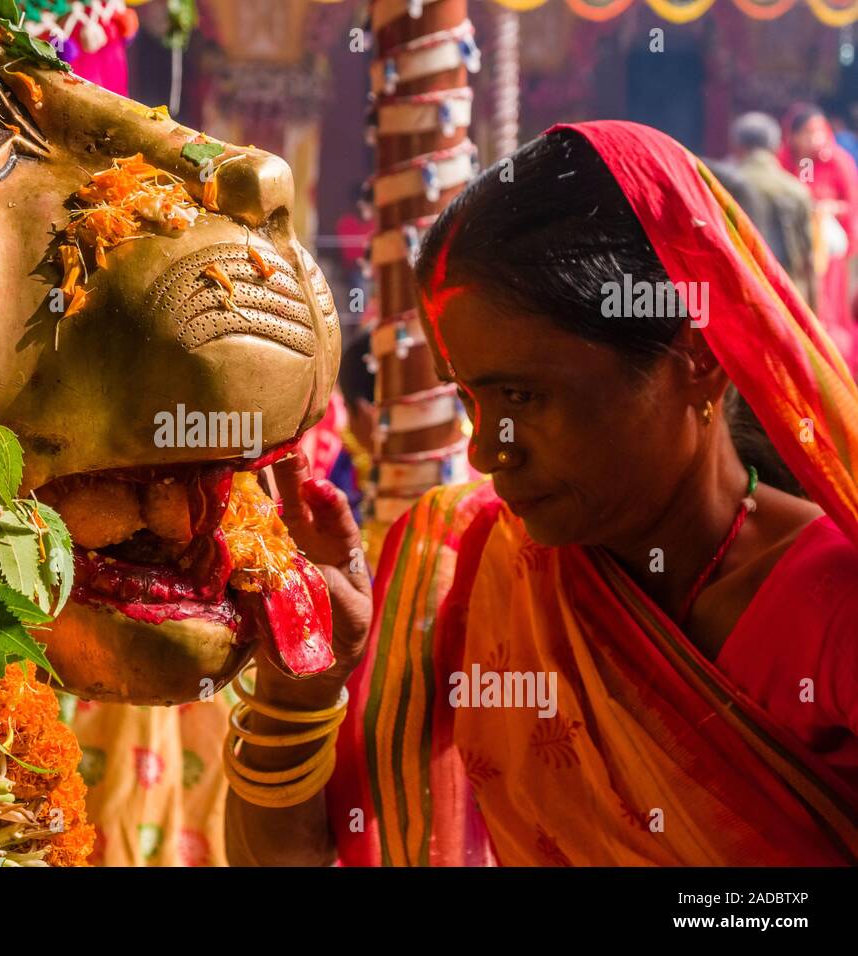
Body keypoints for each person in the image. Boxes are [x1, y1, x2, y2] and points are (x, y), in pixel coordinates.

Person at [224, 121, 858, 866]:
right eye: (470, 400)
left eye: (524, 395)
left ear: (694, 357)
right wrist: (307, 679)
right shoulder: (463, 566)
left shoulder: (832, 607)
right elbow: (286, 859)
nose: (485, 448)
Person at [779, 104, 858, 369]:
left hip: (829, 251)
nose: (816, 138)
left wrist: (829, 209)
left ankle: (834, 362)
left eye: (820, 131)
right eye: (809, 132)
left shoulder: (837, 161)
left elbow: (851, 203)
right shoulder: (790, 161)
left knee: (830, 307)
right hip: (794, 251)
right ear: (793, 135)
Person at [727, 112, 817, 312]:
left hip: (741, 299)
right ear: (776, 146)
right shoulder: (798, 190)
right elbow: (809, 259)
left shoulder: (723, 186)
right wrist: (813, 315)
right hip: (788, 299)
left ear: (737, 146)